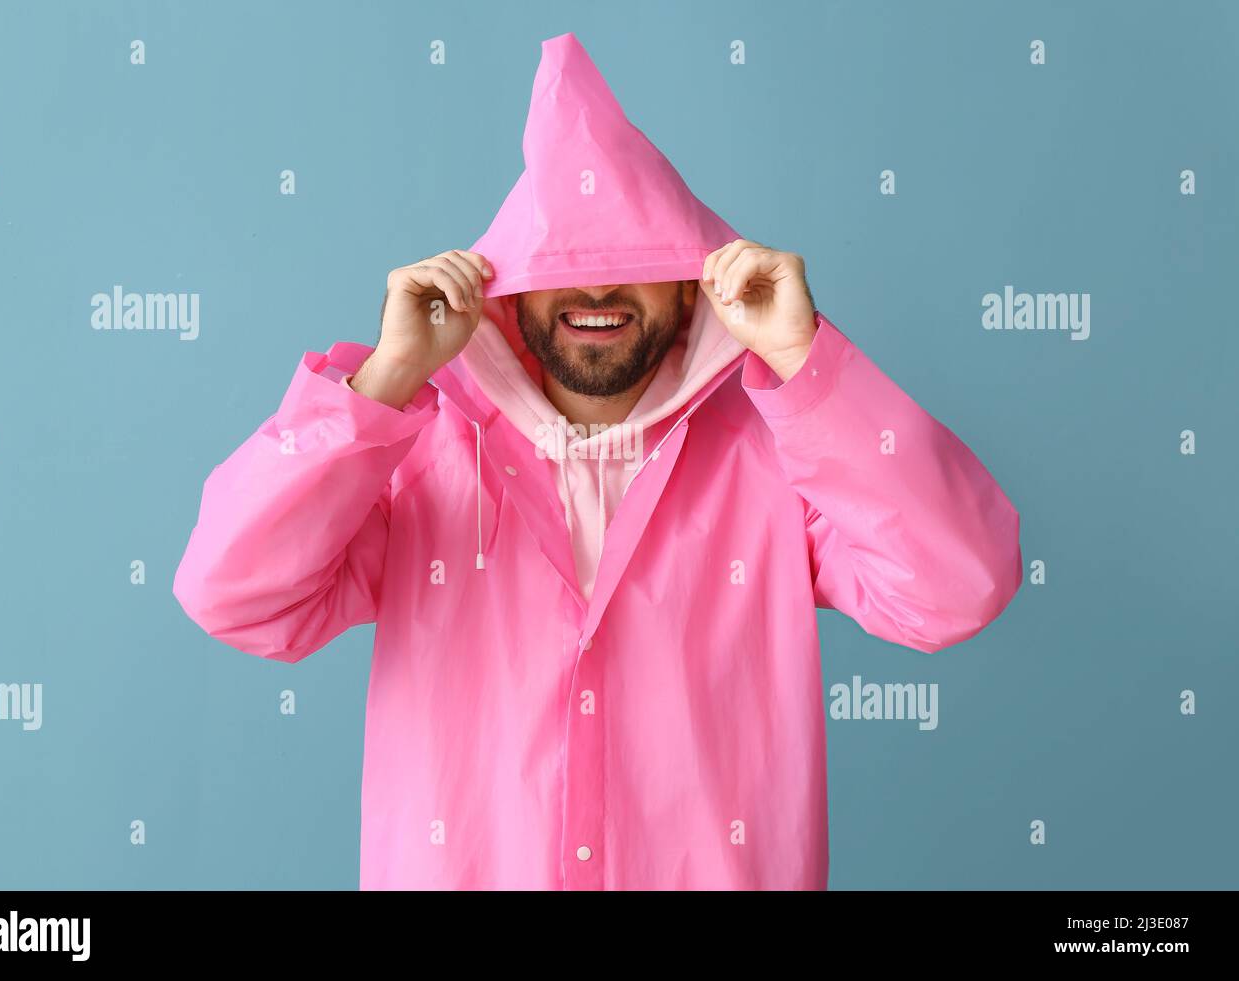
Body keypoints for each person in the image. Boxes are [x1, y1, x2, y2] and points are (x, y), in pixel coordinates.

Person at [173, 33, 1022, 890]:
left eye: (637, 264)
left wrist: (806, 360)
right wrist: (385, 378)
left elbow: (957, 587)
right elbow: (233, 592)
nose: (599, 293)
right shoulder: (413, 458)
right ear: (506, 292)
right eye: (567, 267)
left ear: (695, 284)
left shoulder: (777, 456)